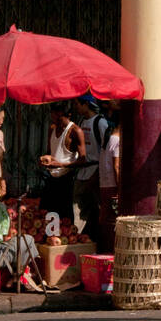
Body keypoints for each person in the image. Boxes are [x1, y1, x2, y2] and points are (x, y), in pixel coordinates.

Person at [39, 102, 85, 222]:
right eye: (53, 118)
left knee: (65, 216)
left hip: (67, 178)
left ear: (68, 115)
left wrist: (60, 164)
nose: (56, 122)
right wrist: (45, 159)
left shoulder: (75, 131)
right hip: (51, 177)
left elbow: (82, 160)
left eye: (59, 119)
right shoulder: (52, 128)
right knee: (48, 214)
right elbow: (49, 151)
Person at [73, 94, 108, 241]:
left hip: (95, 173)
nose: (76, 107)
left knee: (99, 212)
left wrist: (97, 175)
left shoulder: (100, 123)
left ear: (86, 104)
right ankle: (79, 241)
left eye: (78, 104)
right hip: (82, 173)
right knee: (78, 212)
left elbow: (105, 151)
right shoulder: (82, 122)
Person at [97, 109, 120, 254]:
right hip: (112, 184)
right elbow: (116, 166)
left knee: (104, 217)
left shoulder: (108, 138)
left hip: (104, 183)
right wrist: (120, 188)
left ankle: (103, 248)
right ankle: (110, 250)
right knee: (112, 219)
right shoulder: (117, 140)